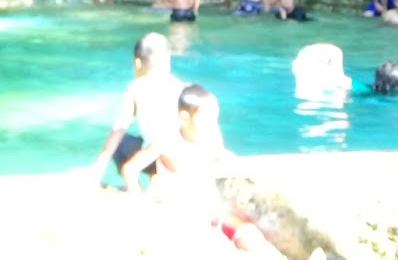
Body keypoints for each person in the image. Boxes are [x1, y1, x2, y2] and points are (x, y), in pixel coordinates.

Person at [139, 83, 284, 256]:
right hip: (182, 219)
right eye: (206, 118)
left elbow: (222, 158)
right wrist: (141, 200)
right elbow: (131, 169)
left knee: (252, 236)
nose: (212, 123)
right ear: (184, 117)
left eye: (214, 118)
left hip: (210, 212)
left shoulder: (210, 136)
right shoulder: (167, 141)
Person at [92, 32, 184, 191]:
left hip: (157, 155)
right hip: (180, 158)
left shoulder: (135, 88)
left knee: (121, 143)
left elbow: (118, 128)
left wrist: (97, 169)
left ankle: (137, 190)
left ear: (137, 63)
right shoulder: (179, 86)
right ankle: (156, 180)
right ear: (167, 60)